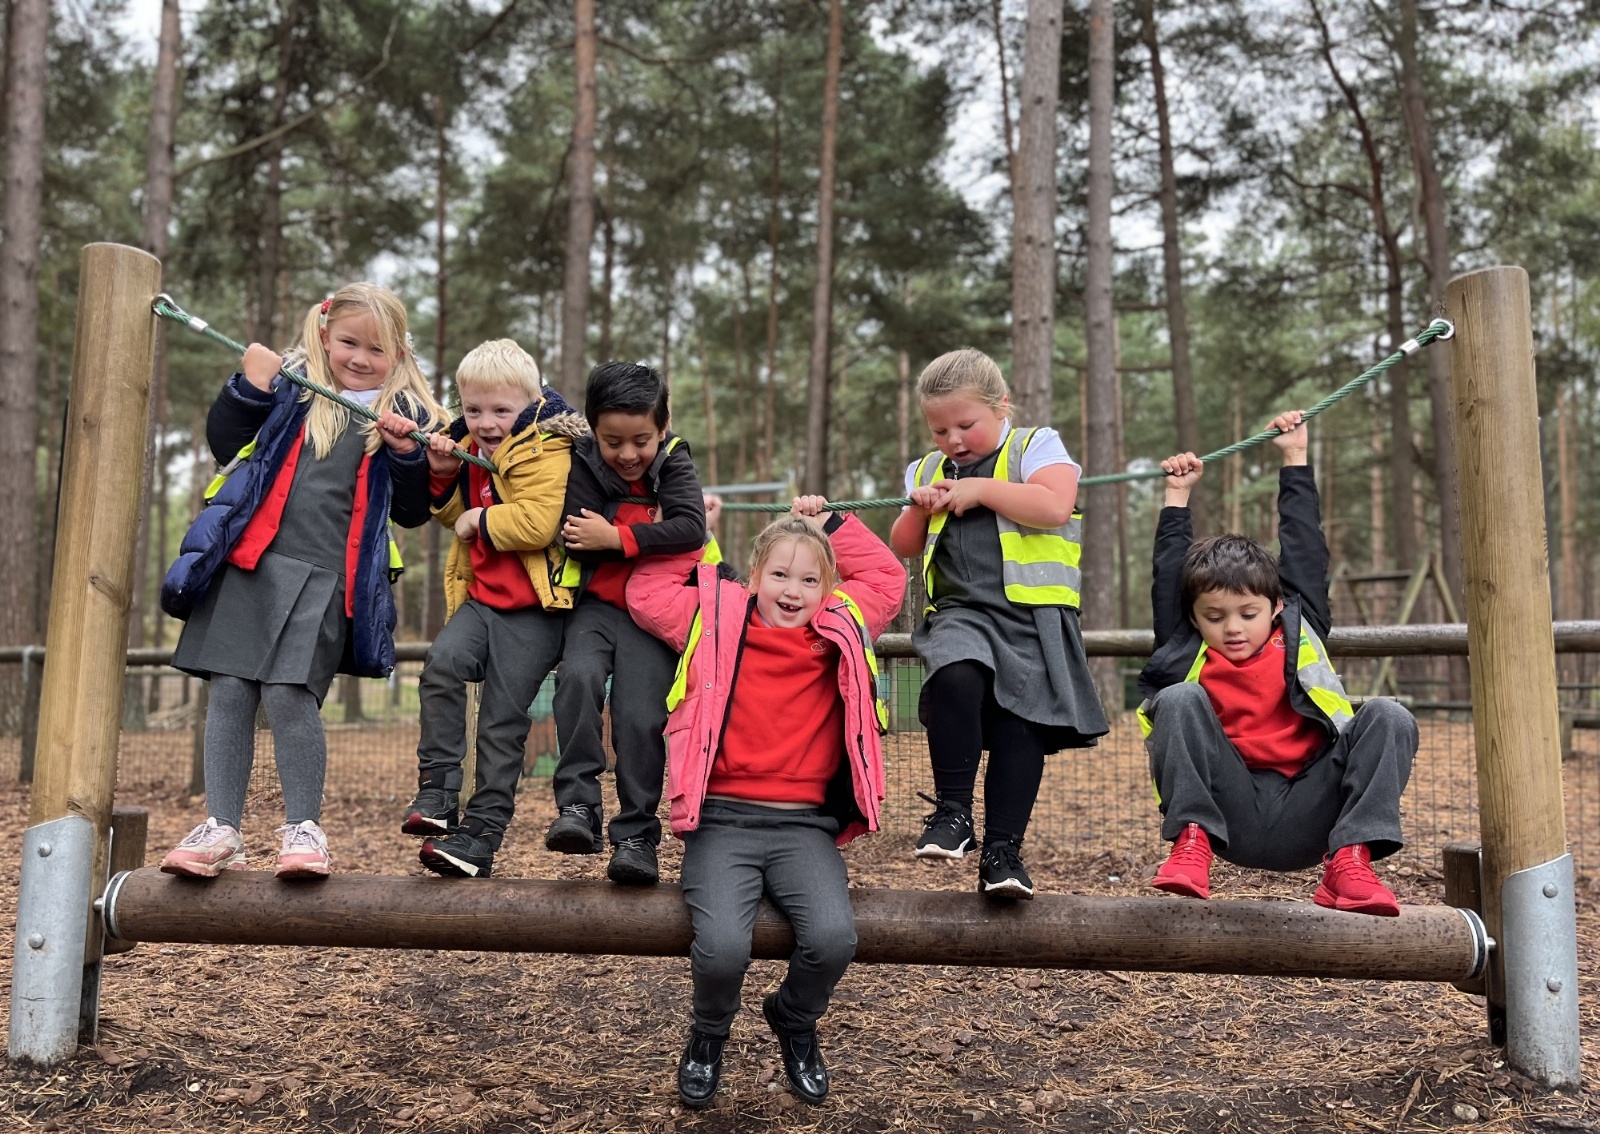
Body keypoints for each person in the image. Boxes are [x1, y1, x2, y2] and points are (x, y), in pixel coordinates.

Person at [625, 498, 903, 1109]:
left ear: (828, 589)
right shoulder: (714, 616)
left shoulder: (842, 624)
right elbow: (646, 592)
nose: (792, 590)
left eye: (809, 580)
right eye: (779, 574)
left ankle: (794, 1019)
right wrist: (696, 531)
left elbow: (887, 576)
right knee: (723, 949)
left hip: (803, 828)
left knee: (833, 939)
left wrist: (832, 523)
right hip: (722, 821)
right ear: (753, 577)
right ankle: (709, 1033)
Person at [160, 283, 445, 879]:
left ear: (398, 354)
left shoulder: (405, 415)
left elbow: (413, 509)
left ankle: (304, 829)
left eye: (377, 349)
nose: (361, 358)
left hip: (326, 578)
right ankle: (222, 828)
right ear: (324, 335)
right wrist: (248, 387)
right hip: (250, 562)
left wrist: (408, 454)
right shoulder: (292, 387)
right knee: (230, 690)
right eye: (349, 343)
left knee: (290, 694)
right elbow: (226, 446)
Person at [1140, 410, 1418, 915]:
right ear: (1195, 618)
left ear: (1276, 607)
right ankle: (1190, 842)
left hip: (1312, 812)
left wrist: (1294, 456)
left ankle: (1350, 862)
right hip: (1227, 813)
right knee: (1177, 698)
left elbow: (1305, 550)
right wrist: (1176, 498)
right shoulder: (1185, 645)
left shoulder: (1300, 628)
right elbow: (1168, 578)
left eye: (1248, 614)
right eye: (1215, 617)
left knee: (1390, 715)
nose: (1233, 628)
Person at [888, 349, 1108, 900]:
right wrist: (919, 508)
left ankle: (1003, 852)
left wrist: (980, 489)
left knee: (1020, 723)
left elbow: (1055, 505)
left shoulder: (1035, 446)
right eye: (940, 430)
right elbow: (905, 545)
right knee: (954, 672)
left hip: (1033, 620)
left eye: (966, 425)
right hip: (961, 611)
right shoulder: (926, 469)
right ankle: (953, 812)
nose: (953, 440)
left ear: (1001, 406)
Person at [400, 339, 590, 879]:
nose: (486, 422)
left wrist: (478, 521)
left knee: (500, 724)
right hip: (482, 599)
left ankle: (481, 836)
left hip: (535, 609)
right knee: (441, 666)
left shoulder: (547, 447)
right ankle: (438, 790)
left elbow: (538, 523)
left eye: (501, 410)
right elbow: (452, 515)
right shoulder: (471, 447)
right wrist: (443, 473)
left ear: (530, 404)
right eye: (474, 409)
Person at [544, 362, 708, 884]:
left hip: (652, 615)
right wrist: (650, 525)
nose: (629, 454)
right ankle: (578, 806)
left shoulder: (674, 458)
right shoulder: (582, 460)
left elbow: (690, 528)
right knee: (576, 679)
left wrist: (616, 536)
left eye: (642, 440)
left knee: (640, 715)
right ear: (593, 429)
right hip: (595, 607)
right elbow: (577, 534)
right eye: (613, 441)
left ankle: (637, 834)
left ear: (663, 427)